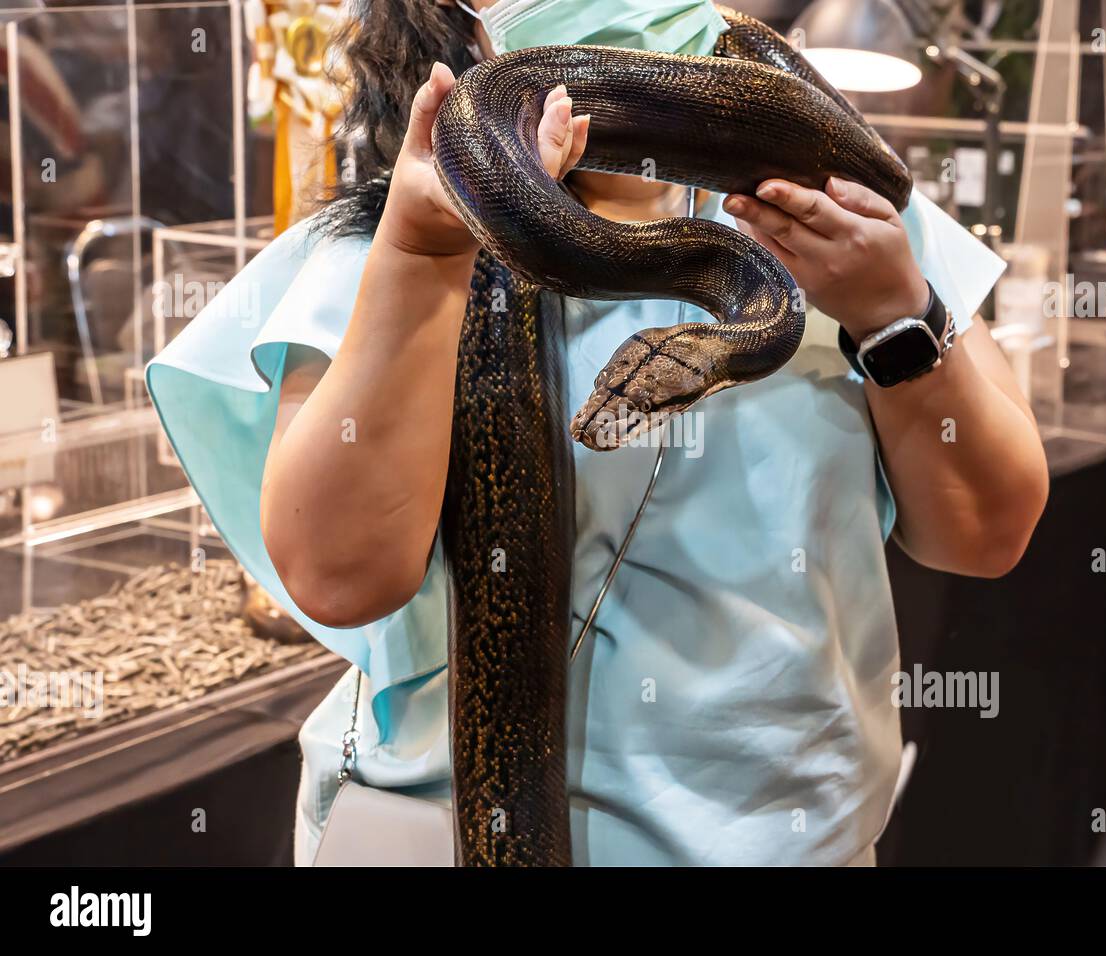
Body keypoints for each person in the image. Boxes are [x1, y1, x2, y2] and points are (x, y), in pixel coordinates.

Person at [148, 0, 1048, 866]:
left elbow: (989, 533)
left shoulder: (842, 217)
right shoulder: (394, 229)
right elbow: (337, 576)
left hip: (796, 841)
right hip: (448, 837)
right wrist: (422, 259)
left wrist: (894, 317)